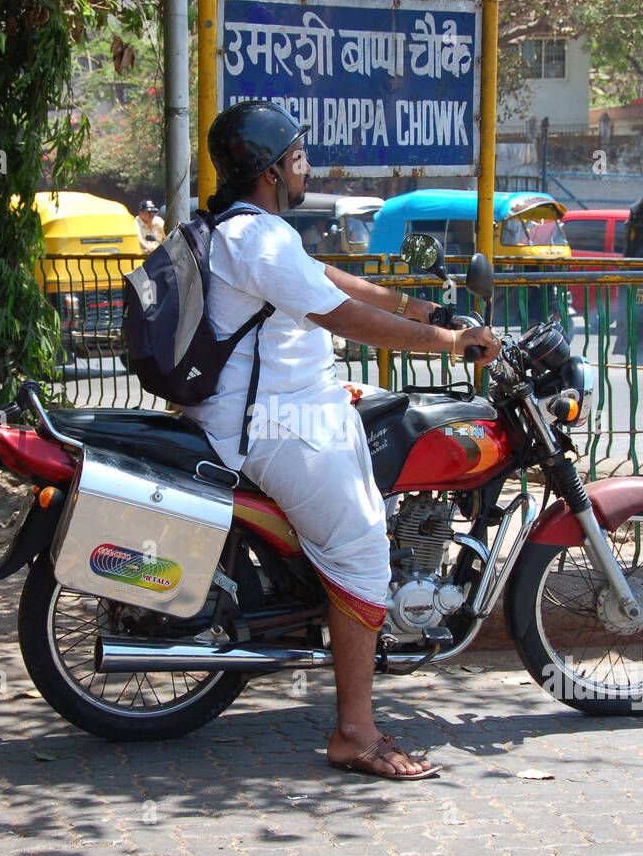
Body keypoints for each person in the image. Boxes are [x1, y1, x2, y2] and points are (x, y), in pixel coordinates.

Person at [182, 100, 500, 780]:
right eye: (297, 157)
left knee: (394, 429)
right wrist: (450, 341)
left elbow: (324, 278)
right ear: (271, 170)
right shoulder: (258, 240)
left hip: (288, 405)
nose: (305, 167)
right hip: (272, 422)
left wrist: (414, 305)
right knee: (363, 551)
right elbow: (344, 317)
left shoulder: (250, 229)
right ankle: (355, 733)